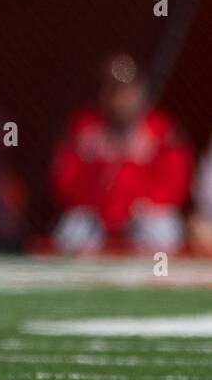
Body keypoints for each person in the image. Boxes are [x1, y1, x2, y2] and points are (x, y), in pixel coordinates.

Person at [50, 54, 193, 255]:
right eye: (113, 91)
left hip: (142, 212)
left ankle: (154, 283)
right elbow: (64, 182)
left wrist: (139, 202)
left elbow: (176, 182)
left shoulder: (160, 129)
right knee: (72, 230)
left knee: (164, 229)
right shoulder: (84, 128)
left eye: (128, 91)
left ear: (140, 92)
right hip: (95, 213)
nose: (120, 99)